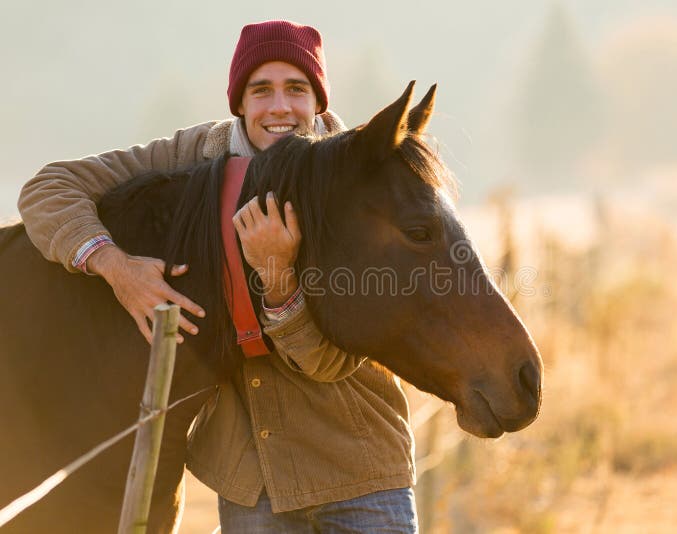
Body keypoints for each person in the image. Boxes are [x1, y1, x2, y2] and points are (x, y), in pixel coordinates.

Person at [18, 20, 418, 533]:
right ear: (239, 103)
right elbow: (49, 188)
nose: (279, 107)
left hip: (359, 472)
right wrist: (116, 267)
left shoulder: (358, 174)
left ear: (319, 102)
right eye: (261, 90)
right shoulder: (198, 153)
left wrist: (277, 274)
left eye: (297, 89)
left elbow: (327, 361)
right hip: (253, 487)